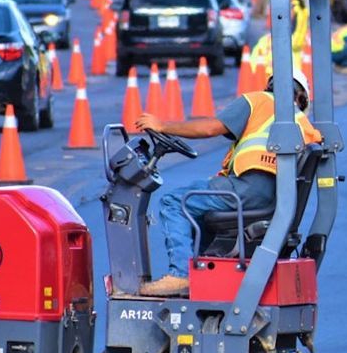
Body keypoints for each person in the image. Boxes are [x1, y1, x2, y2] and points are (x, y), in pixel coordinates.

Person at [136, 70, 321, 297]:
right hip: (273, 197)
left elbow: (210, 128)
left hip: (247, 189)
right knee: (200, 210)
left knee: (174, 202)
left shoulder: (258, 101)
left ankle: (180, 275)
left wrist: (162, 126)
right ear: (300, 98)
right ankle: (202, 276)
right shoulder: (303, 124)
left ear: (272, 85)